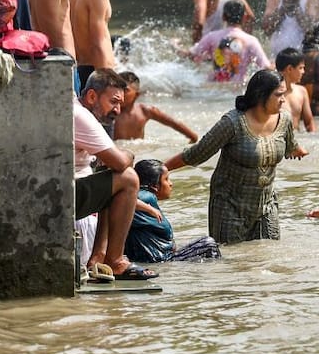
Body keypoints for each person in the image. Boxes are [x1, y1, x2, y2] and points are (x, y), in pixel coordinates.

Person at [164, 69, 308, 244]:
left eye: (284, 94)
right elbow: (197, 153)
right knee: (232, 261)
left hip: (266, 206)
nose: (284, 99)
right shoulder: (233, 123)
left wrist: (298, 150)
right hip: (229, 206)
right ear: (261, 95)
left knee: (268, 256)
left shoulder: (284, 120)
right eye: (278, 95)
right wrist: (161, 169)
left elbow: (290, 145)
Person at [73, 69, 156, 280]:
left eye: (120, 104)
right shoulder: (81, 115)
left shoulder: (74, 110)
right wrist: (129, 153)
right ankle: (115, 260)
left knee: (109, 173)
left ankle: (99, 257)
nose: (118, 110)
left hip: (60, 192)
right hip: (62, 198)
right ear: (92, 96)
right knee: (128, 178)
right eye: (113, 102)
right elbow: (120, 162)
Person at [124, 159, 222, 263]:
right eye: (166, 179)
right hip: (160, 260)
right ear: (155, 186)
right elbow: (129, 200)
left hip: (149, 258)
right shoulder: (146, 197)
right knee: (208, 244)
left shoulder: (141, 197)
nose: (170, 184)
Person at [186, 0, 272, 83]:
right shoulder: (251, 41)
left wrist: (175, 47)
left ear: (223, 17)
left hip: (213, 86)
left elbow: (192, 54)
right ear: (244, 18)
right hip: (237, 88)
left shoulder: (211, 36)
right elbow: (266, 67)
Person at [113, 71, 199, 142]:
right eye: (117, 89)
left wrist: (192, 137)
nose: (119, 93)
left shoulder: (144, 111)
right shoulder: (110, 111)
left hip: (138, 152)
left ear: (137, 95)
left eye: (125, 90)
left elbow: (172, 123)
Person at [275, 47, 315, 132]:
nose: (303, 71)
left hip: (297, 139)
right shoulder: (272, 94)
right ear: (289, 69)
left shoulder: (301, 91)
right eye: (300, 68)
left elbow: (309, 123)